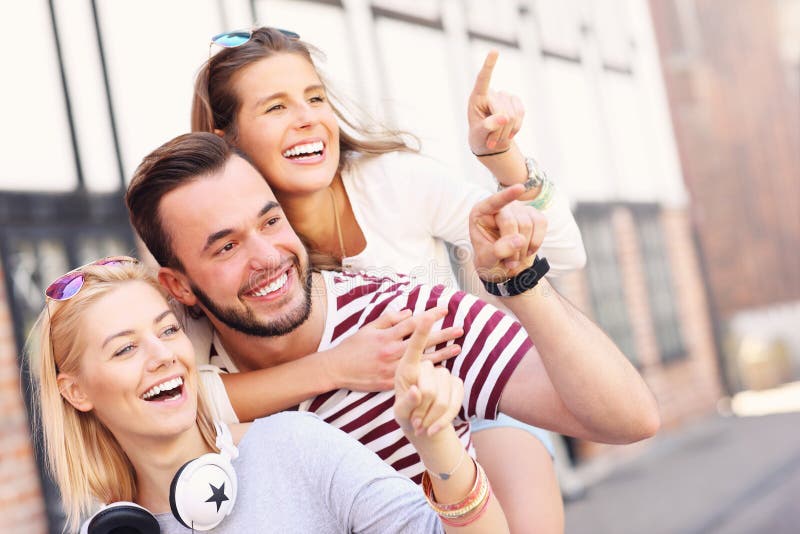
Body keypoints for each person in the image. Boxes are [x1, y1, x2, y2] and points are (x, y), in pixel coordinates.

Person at [125, 132, 660, 531]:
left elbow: (630, 418)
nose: (268, 257)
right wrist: (331, 370)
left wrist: (520, 284)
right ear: (179, 285)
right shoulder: (174, 371)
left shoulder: (408, 321)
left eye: (270, 222)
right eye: (226, 247)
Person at [191, 27, 586, 531]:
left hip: (464, 404)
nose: (307, 117)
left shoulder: (392, 183)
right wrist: (335, 368)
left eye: (315, 98)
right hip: (349, 463)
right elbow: (192, 400)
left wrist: (501, 156)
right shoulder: (222, 252)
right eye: (276, 107)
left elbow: (564, 251)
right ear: (226, 140)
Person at [32, 257, 510, 533]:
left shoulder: (292, 446)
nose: (163, 356)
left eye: (168, 330)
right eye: (125, 348)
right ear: (76, 392)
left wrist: (437, 445)